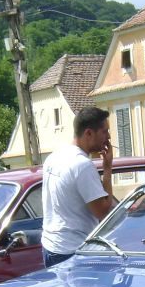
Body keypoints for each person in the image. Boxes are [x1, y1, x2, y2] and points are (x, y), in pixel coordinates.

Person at [40, 106, 115, 267]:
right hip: (73, 251)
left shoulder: (54, 157)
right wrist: (107, 168)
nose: (108, 137)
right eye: (104, 131)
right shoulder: (82, 165)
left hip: (50, 246)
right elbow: (103, 211)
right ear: (88, 133)